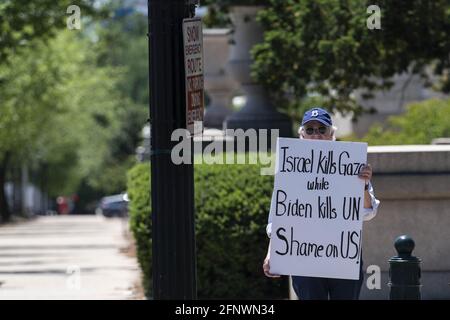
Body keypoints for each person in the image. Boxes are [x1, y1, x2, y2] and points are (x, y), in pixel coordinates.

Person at [262, 107, 380, 300]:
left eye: (321, 130)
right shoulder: (289, 169)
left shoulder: (351, 165)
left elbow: (368, 213)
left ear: (331, 134)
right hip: (303, 260)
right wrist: (271, 254)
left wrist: (363, 185)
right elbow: (279, 218)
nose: (316, 135)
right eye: (310, 130)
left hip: (343, 259)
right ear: (302, 135)